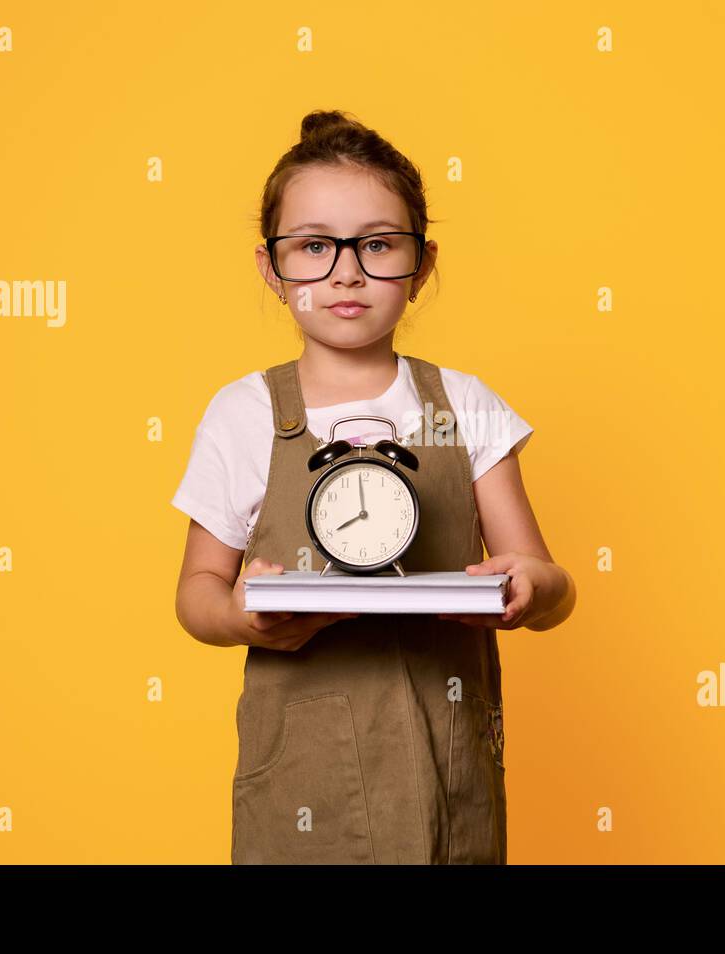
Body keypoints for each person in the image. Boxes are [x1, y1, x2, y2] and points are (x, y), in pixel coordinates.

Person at [171, 109, 577, 864]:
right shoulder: (244, 414)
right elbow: (195, 591)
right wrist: (240, 615)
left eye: (379, 245)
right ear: (271, 266)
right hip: (302, 787)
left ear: (421, 266)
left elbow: (552, 584)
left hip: (445, 773)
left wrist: (532, 586)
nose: (347, 272)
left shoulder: (467, 407)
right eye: (315, 246)